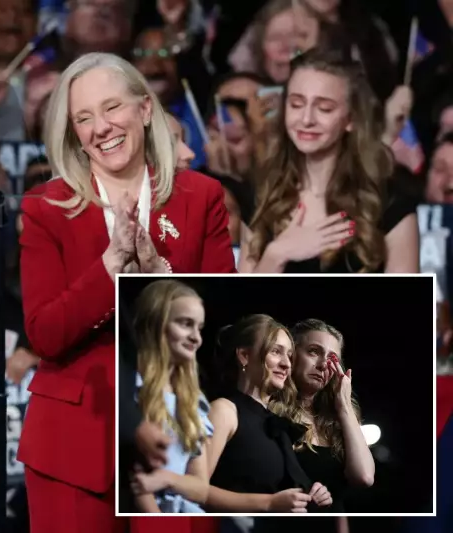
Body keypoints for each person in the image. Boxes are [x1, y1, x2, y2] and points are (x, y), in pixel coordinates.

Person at [19, 51, 235, 533]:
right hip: (74, 442)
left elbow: (225, 326)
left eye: (111, 107)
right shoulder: (46, 207)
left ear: (143, 108)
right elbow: (45, 335)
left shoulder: (201, 197)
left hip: (175, 437)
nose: (101, 127)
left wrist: (160, 276)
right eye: (84, 117)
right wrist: (109, 270)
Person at [239, 48, 419, 274]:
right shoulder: (262, 193)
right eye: (296, 104)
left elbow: (406, 307)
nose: (306, 119)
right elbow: (244, 303)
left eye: (324, 108)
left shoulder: (389, 201)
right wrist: (276, 255)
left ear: (351, 119)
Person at [206, 315, 333, 513]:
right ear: (244, 356)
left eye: (289, 356)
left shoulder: (277, 424)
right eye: (276, 351)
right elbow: (194, 489)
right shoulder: (224, 410)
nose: (286, 364)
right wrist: (269, 503)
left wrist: (311, 493)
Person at [261, 319, 375, 533]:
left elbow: (364, 477)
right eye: (314, 351)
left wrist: (344, 407)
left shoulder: (338, 420)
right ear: (292, 355)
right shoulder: (267, 411)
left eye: (332, 359)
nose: (323, 364)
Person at [128, 280, 213, 513]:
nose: (196, 338)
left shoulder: (193, 400)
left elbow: (201, 487)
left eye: (199, 327)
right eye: (186, 324)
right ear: (157, 323)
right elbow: (135, 482)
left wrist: (168, 478)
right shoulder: (129, 388)